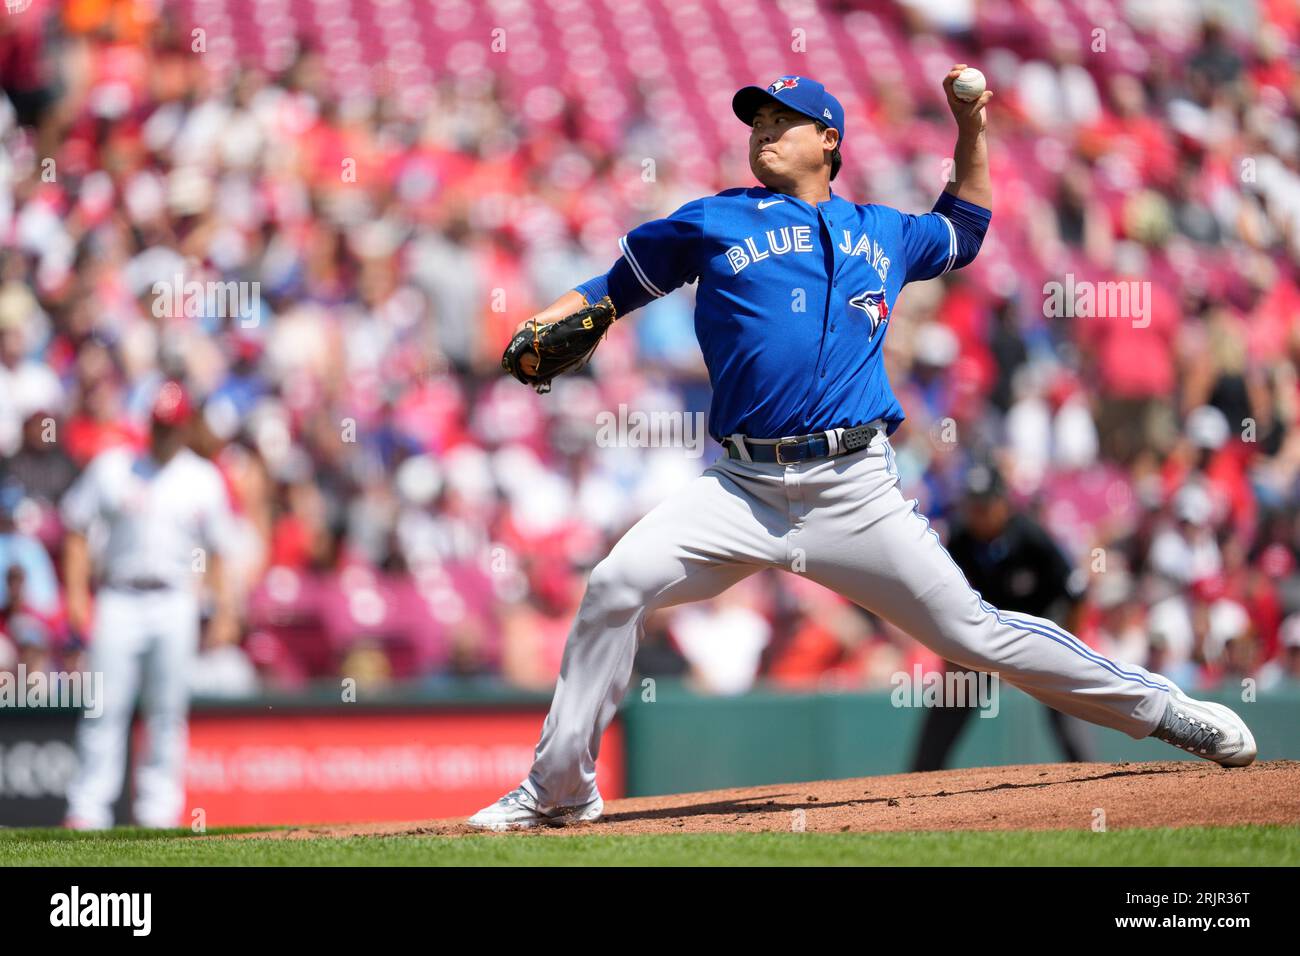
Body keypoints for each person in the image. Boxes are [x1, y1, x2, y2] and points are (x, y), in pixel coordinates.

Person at [469, 71, 1256, 831]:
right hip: (742, 486)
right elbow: (613, 290)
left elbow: (968, 226)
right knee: (615, 584)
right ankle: (559, 788)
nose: (764, 131)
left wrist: (971, 128)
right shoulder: (713, 220)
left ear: (829, 140)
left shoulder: (882, 231)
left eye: (782, 120)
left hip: (855, 487)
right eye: (757, 121)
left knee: (974, 634)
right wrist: (557, 315)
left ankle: (1167, 712)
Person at [61, 381, 239, 830]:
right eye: (158, 425)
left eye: (171, 427)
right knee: (104, 705)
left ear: (184, 427)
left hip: (174, 598)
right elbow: (77, 529)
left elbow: (218, 552)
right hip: (119, 595)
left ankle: (159, 812)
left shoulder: (202, 478)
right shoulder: (114, 468)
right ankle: (88, 809)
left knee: (166, 709)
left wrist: (225, 610)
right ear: (148, 424)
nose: (163, 434)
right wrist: (78, 595)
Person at [909, 464, 1096, 771]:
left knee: (1066, 704)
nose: (977, 512)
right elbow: (941, 599)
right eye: (972, 504)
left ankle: (1092, 777)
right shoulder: (960, 538)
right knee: (952, 695)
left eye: (984, 504)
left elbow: (1075, 591)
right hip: (987, 635)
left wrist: (1070, 644)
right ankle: (918, 783)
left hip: (1038, 633)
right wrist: (952, 655)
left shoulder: (1028, 534)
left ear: (1002, 503)